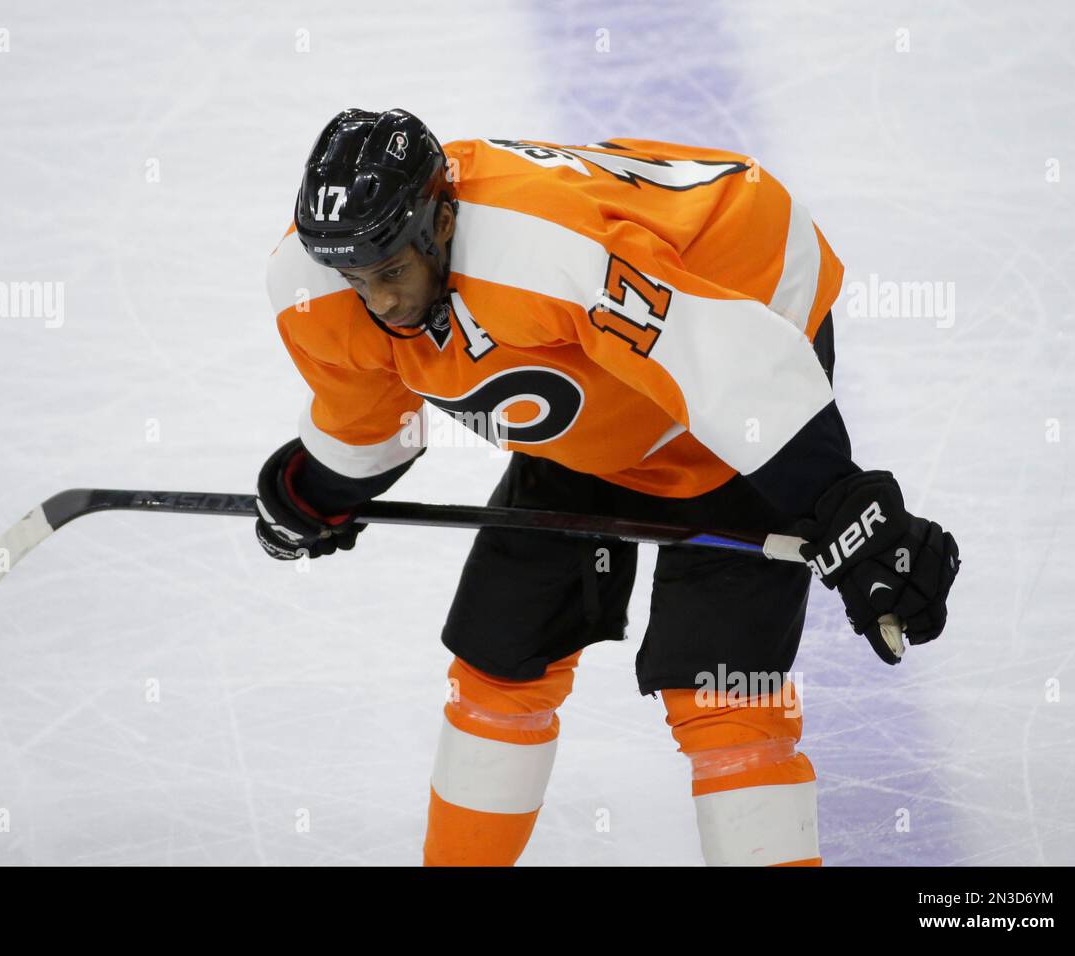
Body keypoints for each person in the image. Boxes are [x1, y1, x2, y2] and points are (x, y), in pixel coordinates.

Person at [255, 108, 960, 866]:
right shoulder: (315, 284)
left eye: (391, 271)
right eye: (356, 278)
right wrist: (315, 489)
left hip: (736, 303)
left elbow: (724, 361)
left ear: (442, 223)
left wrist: (846, 509)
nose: (380, 301)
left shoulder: (541, 253)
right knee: (500, 655)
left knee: (725, 690)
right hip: (592, 382)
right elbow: (376, 424)